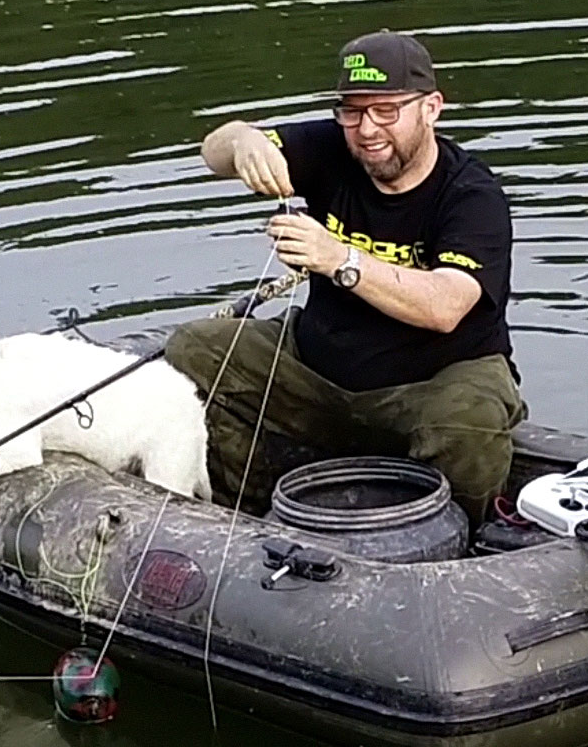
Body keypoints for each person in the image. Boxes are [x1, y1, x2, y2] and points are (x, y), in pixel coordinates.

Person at [164, 31, 527, 514]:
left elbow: (445, 306)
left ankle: (458, 540)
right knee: (194, 349)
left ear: (431, 108)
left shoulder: (471, 196)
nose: (368, 129)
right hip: (317, 367)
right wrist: (245, 141)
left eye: (386, 111)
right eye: (352, 112)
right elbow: (213, 152)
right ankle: (252, 509)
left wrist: (338, 258)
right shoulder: (331, 147)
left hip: (431, 381)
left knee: (469, 422)